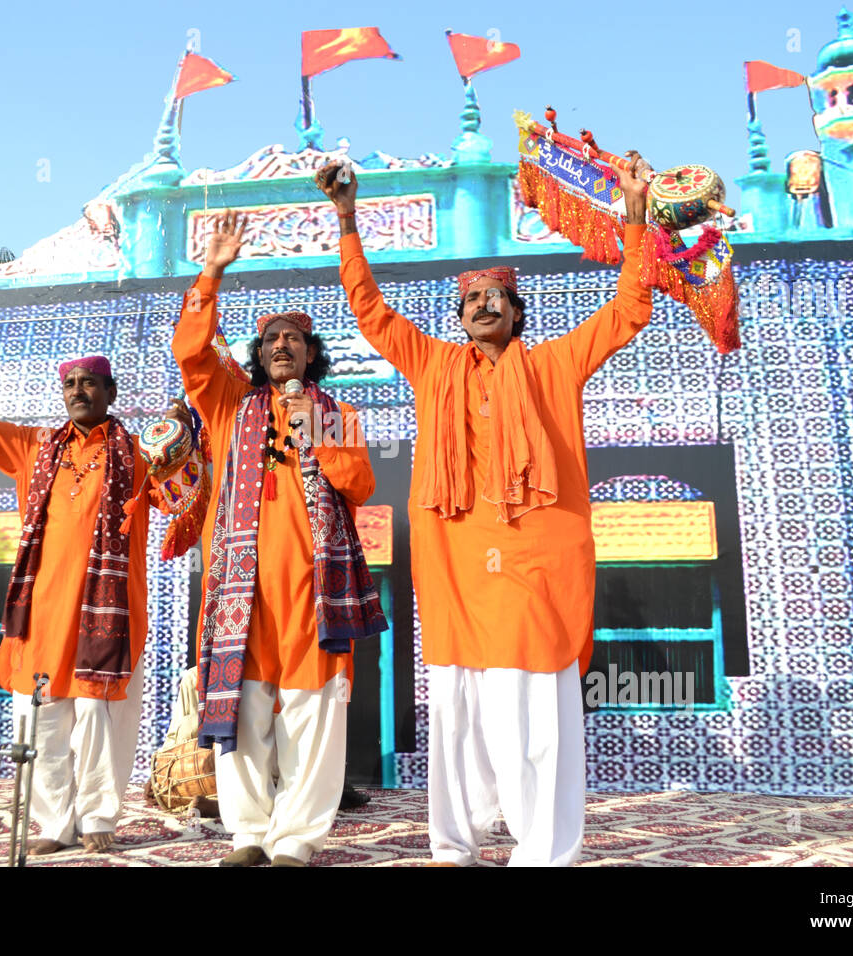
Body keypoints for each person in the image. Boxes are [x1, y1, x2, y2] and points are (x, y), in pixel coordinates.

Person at [314, 153, 656, 866]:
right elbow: (369, 312)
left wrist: (633, 216)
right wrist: (347, 218)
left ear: (518, 312)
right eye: (473, 298)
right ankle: (454, 846)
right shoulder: (433, 365)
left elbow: (629, 309)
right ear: (461, 315)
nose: (484, 304)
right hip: (455, 563)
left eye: (498, 296)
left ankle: (542, 852)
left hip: (536, 562)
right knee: (458, 709)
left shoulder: (556, 364)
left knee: (536, 710)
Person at [172, 210, 386, 867]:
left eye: (294, 340)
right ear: (258, 357)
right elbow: (189, 352)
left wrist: (310, 423)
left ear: (311, 354)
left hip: (312, 594)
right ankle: (246, 833)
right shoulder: (228, 404)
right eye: (272, 342)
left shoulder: (335, 412)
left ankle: (295, 838)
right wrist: (212, 271)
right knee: (242, 713)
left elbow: (359, 483)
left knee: (312, 719)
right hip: (243, 594)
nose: (283, 348)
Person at [0, 335, 165, 854]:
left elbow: (183, 491)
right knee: (40, 720)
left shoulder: (140, 454)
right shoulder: (34, 447)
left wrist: (181, 436)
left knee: (100, 721)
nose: (78, 390)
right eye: (69, 383)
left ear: (110, 391)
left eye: (89, 382)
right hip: (41, 614)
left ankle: (96, 818)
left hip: (107, 618)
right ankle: (52, 823)